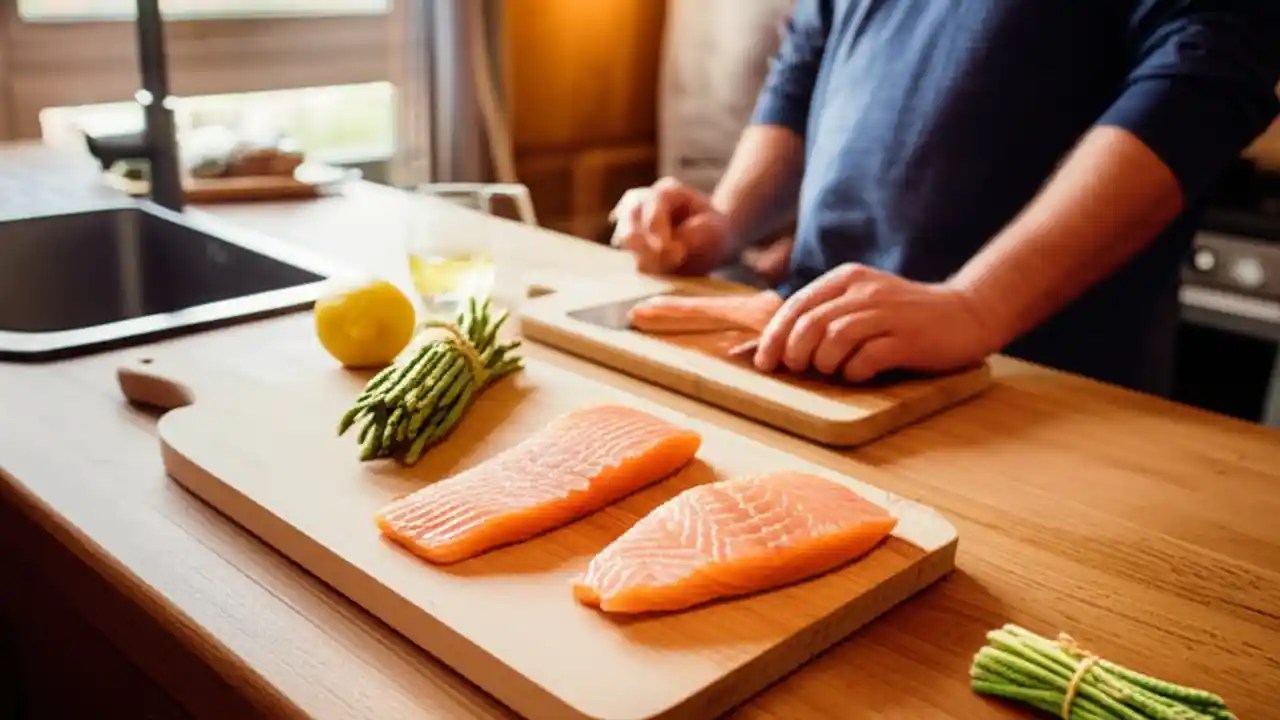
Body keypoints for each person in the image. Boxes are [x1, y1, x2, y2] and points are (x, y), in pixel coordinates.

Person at [610, 1, 1280, 396]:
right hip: (811, 352)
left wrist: (976, 303)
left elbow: (1202, 80)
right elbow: (807, 62)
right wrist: (727, 220)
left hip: (1032, 388)